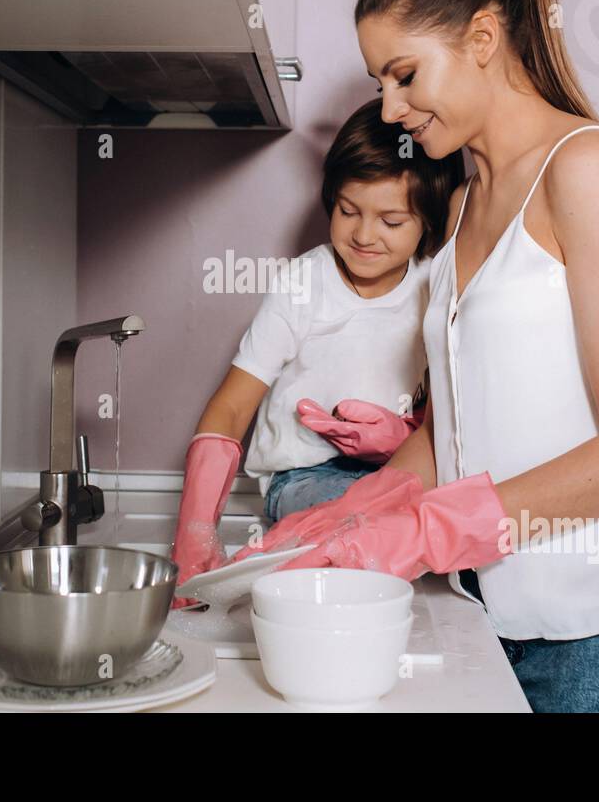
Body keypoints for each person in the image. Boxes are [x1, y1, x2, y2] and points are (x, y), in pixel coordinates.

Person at [235, 0, 599, 713]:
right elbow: (456, 431)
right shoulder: (465, 205)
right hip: (505, 617)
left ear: (481, 38)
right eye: (379, 82)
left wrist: (426, 534)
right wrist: (344, 519)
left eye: (404, 75)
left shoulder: (588, 168)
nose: (390, 108)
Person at [169, 98, 463, 604]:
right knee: (363, 519)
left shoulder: (434, 286)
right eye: (349, 211)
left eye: (391, 221)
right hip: (304, 477)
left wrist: (403, 435)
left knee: (435, 511)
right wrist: (195, 533)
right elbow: (234, 404)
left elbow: (447, 409)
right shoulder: (304, 284)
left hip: (400, 472)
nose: (364, 234)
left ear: (428, 224)